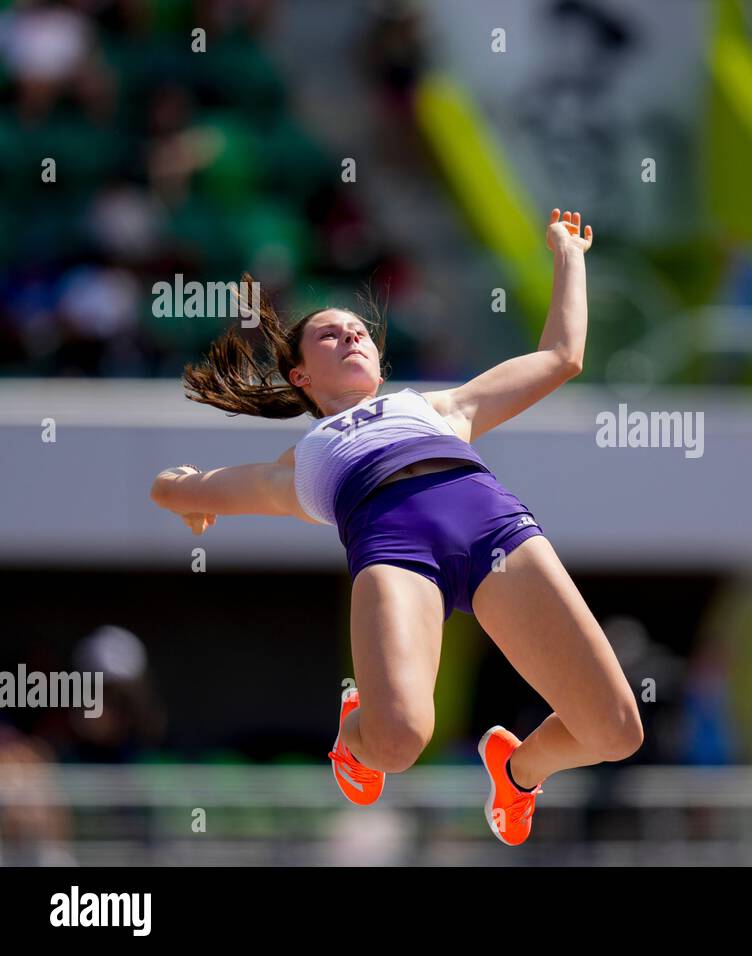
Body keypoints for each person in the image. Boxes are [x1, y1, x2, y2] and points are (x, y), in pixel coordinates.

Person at [148, 209, 643, 846]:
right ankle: (355, 733)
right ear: (300, 377)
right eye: (329, 335)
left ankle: (517, 771)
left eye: (358, 331)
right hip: (396, 555)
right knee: (400, 740)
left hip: (498, 533)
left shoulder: (439, 406)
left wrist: (568, 255)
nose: (351, 337)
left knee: (615, 729)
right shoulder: (301, 462)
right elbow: (173, 486)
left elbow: (561, 355)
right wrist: (187, 492)